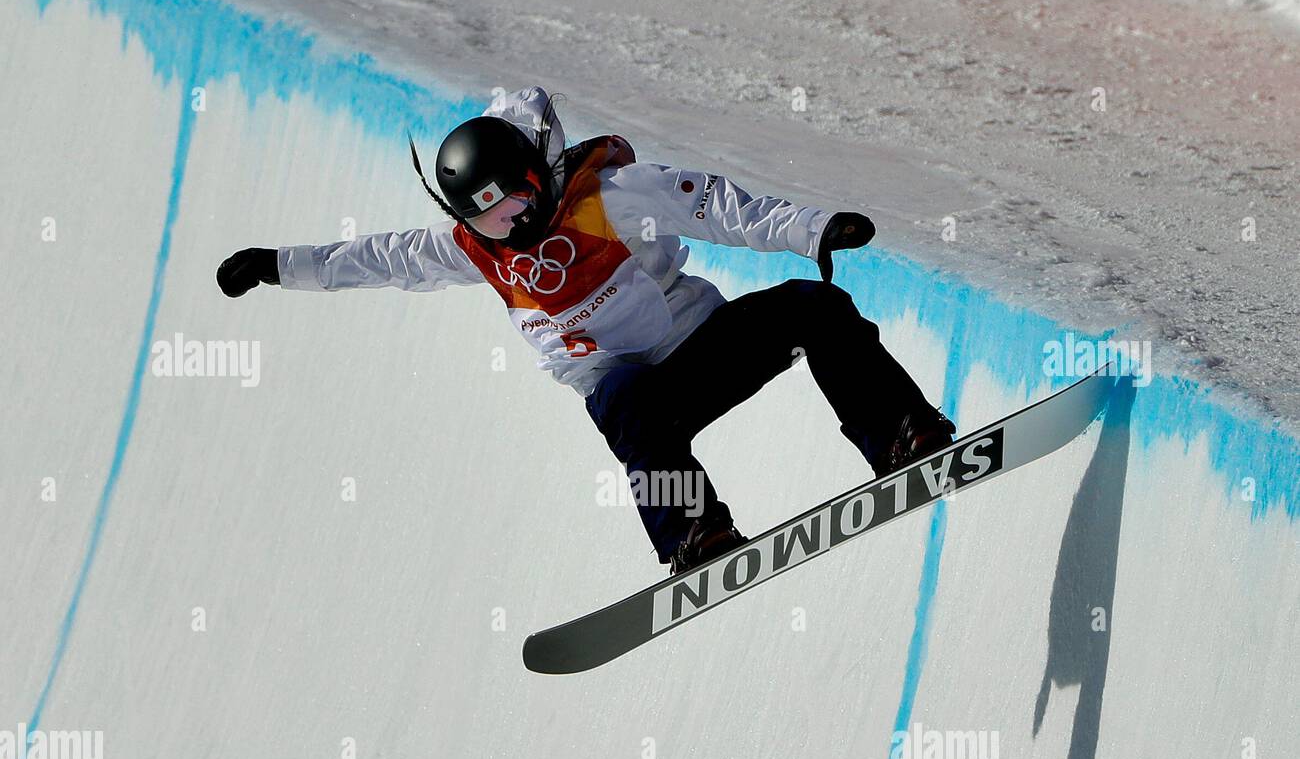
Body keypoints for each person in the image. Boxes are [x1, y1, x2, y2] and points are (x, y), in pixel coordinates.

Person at [217, 86, 954, 573]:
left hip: (703, 348)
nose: (508, 226)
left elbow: (719, 207)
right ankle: (695, 533)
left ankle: (900, 434)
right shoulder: (474, 249)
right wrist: (280, 266)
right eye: (486, 217)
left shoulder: (610, 195)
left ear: (538, 175)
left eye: (516, 204)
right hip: (637, 396)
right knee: (624, 399)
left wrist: (814, 228)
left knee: (813, 308)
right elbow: (379, 258)